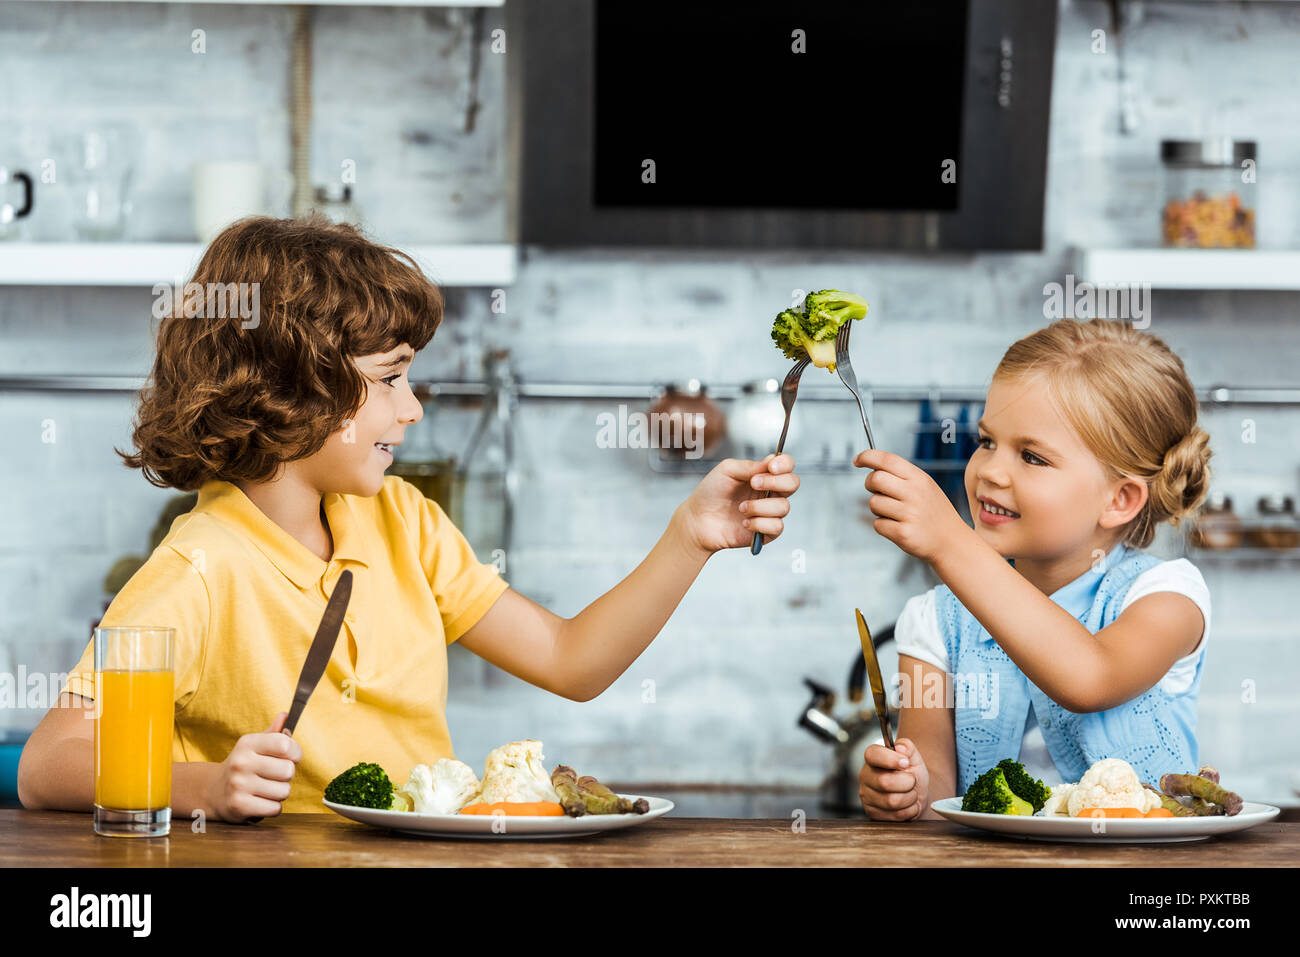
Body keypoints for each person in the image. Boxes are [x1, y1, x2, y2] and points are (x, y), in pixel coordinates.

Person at [17, 214, 800, 822]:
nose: (414, 407)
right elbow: (49, 762)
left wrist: (691, 536)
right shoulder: (199, 569)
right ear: (294, 387)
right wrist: (204, 785)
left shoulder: (402, 519)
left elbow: (572, 660)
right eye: (390, 378)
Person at [855, 318, 1212, 821]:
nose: (990, 472)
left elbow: (1090, 677)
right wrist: (908, 791)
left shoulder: (1167, 596)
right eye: (986, 441)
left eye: (1032, 457)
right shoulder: (935, 620)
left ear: (1119, 499)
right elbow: (937, 799)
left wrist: (950, 541)